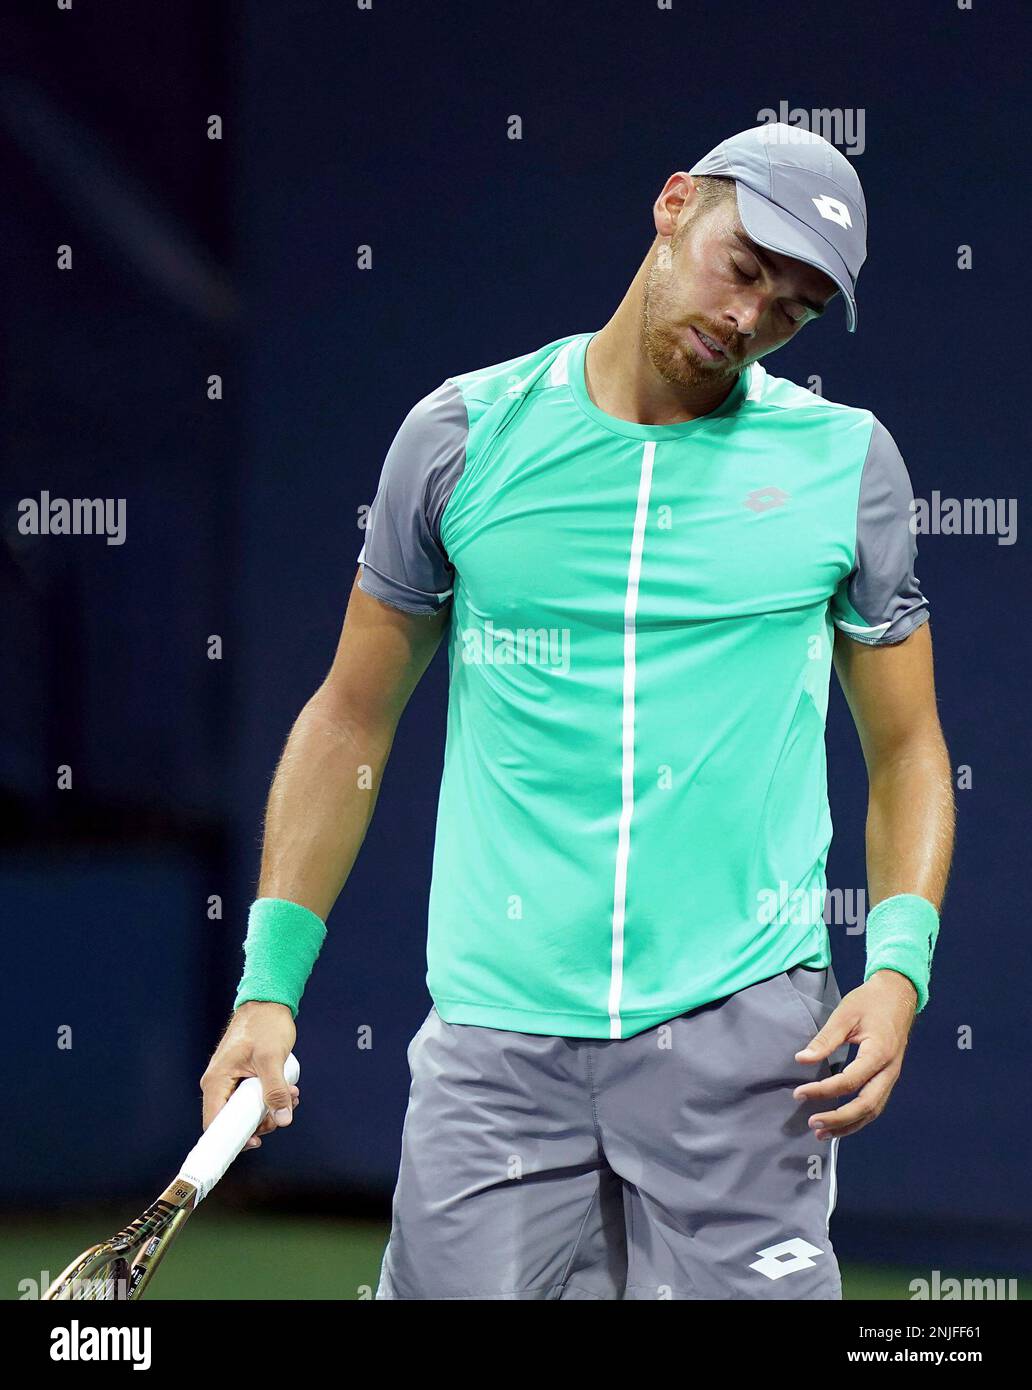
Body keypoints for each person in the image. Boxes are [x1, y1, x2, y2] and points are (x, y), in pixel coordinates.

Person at [202, 124, 955, 1300]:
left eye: (795, 307)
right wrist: (267, 989)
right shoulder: (458, 439)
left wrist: (899, 967)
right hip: (498, 1045)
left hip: (750, 1044)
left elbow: (909, 751)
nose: (753, 316)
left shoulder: (847, 466)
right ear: (672, 206)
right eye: (744, 266)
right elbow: (351, 719)